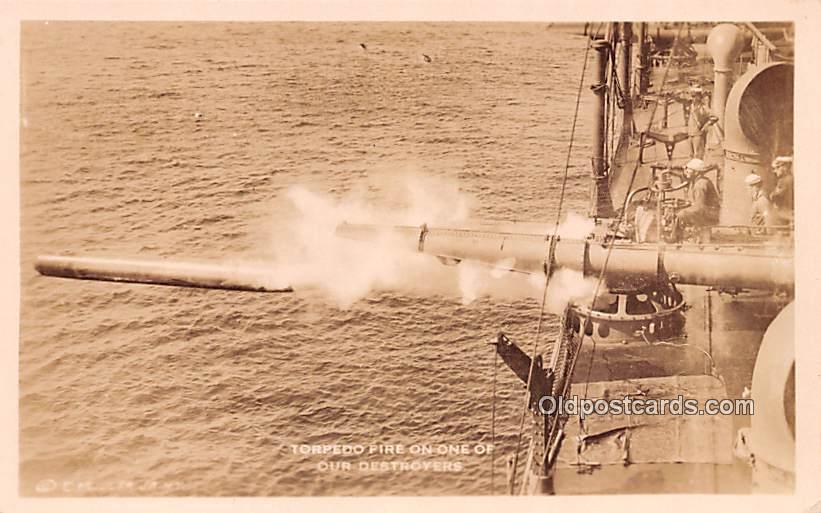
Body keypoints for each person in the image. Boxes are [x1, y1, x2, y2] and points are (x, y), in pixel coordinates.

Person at [677, 158, 721, 230]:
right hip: (709, 211)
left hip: (710, 215)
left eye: (689, 169)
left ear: (696, 172)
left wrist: (681, 213)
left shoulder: (700, 185)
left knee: (680, 214)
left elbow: (699, 208)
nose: (686, 171)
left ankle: (676, 236)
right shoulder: (698, 180)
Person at [687, 88, 716, 159]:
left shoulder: (703, 108)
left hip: (698, 135)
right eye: (692, 96)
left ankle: (698, 169)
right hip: (690, 134)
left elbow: (714, 117)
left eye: (694, 96)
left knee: (698, 156)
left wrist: (706, 126)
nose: (693, 98)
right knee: (691, 155)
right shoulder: (691, 106)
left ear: (699, 97)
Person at [769, 155, 793, 222]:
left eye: (776, 168)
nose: (774, 171)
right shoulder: (784, 179)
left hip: (785, 214)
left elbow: (776, 196)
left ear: (784, 167)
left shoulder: (786, 180)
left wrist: (772, 195)